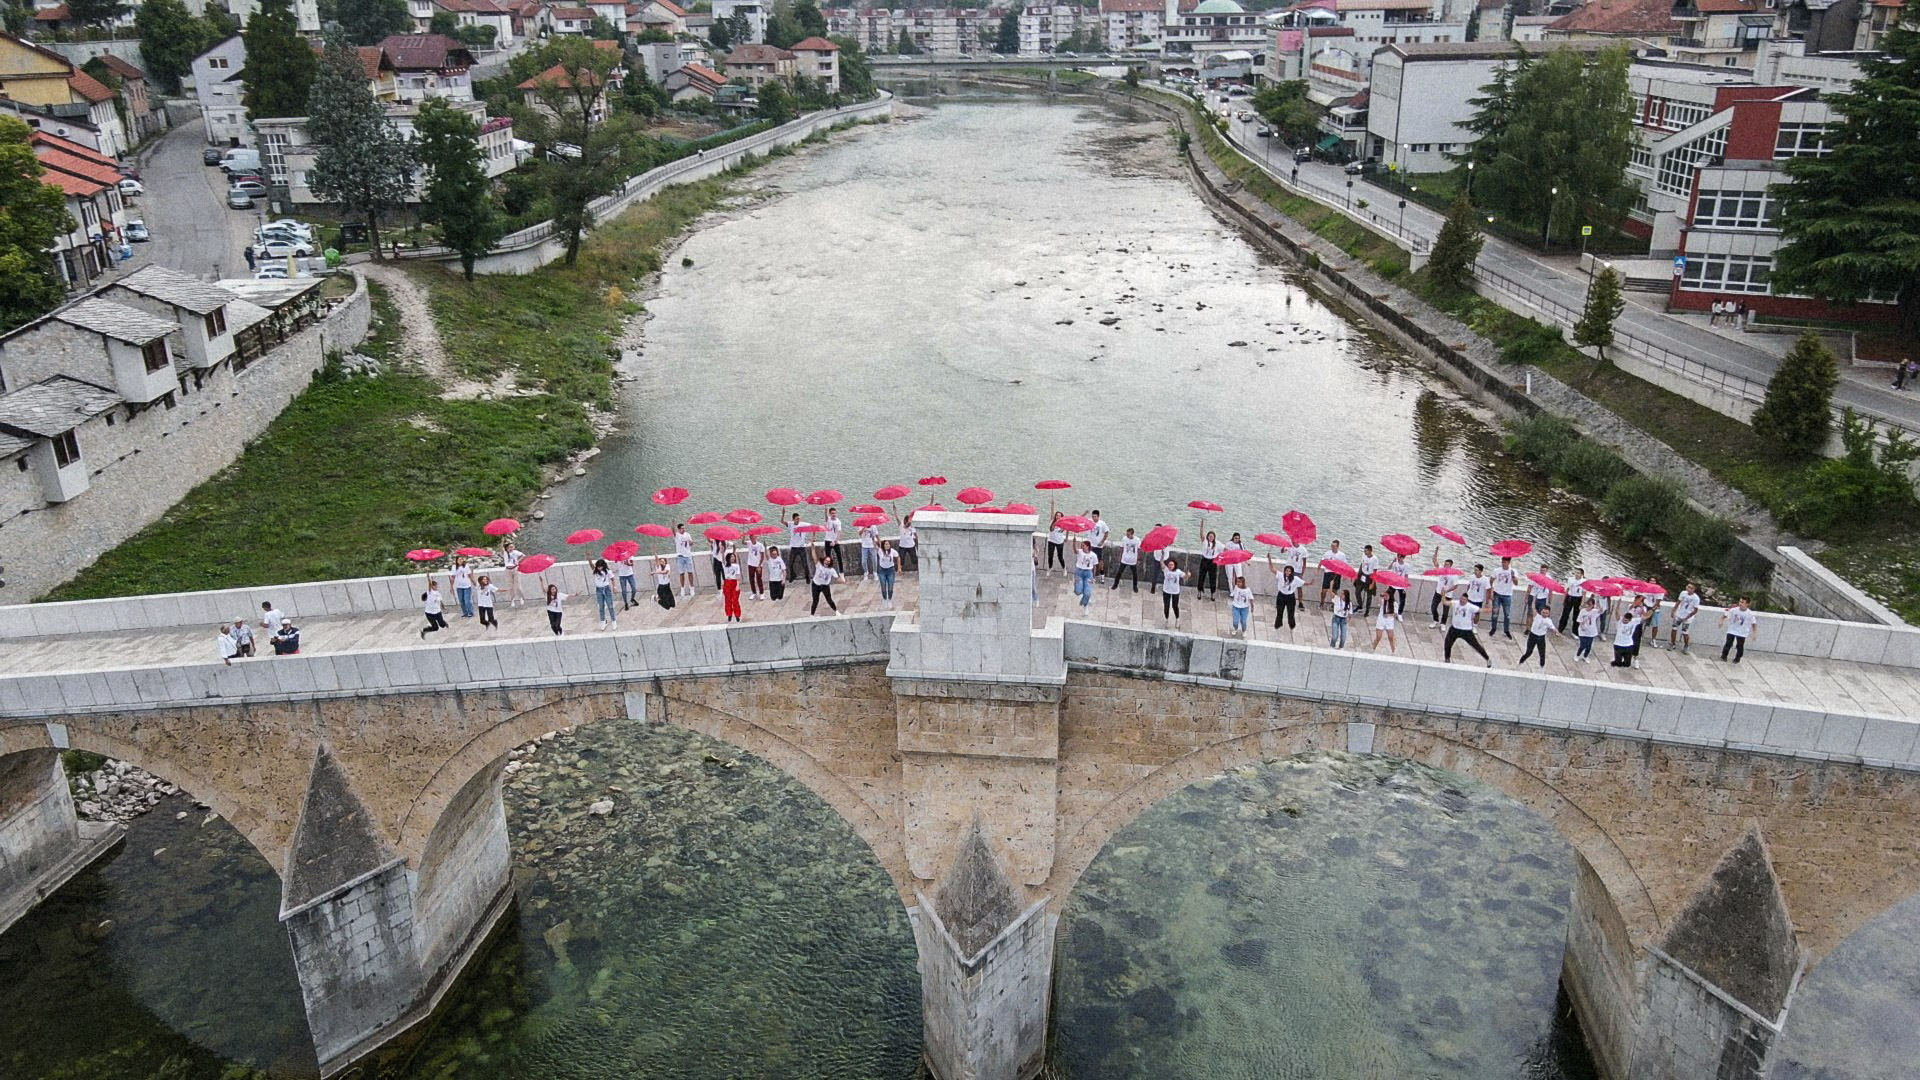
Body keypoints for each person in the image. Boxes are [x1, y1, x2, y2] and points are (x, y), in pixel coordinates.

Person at [1443, 593, 1491, 666]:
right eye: (1461, 599)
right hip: (1454, 629)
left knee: (1476, 645)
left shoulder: (1470, 607)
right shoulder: (1455, 603)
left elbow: (1481, 610)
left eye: (1464, 600)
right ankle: (1447, 658)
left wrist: (1491, 609)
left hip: (1466, 631)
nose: (1462, 601)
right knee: (1447, 643)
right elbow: (1445, 603)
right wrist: (1443, 594)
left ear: (1467, 600)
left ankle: (1487, 658)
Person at [1720, 597, 1756, 663]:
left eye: (1742, 602)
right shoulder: (1733, 610)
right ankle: (1724, 656)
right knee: (1728, 643)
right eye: (1740, 601)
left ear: (1747, 604)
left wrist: (1754, 633)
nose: (1740, 603)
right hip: (1732, 630)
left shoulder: (1750, 614)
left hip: (1742, 632)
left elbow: (1754, 624)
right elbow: (1724, 616)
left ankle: (1737, 658)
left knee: (1740, 646)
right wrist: (1721, 621)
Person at [1667, 583, 1701, 653]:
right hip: (1679, 614)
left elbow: (1695, 610)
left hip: (1688, 616)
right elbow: (1678, 602)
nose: (1688, 589)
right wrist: (1673, 610)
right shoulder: (1683, 593)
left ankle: (1686, 645)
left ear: (1694, 589)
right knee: (1674, 628)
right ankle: (1672, 643)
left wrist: (1687, 617)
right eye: (1688, 587)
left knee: (1685, 632)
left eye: (1691, 588)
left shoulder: (1696, 598)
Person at [1489, 557, 1516, 639]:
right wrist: (1491, 591)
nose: (1503, 564)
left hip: (1507, 595)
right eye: (1502, 562)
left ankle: (1506, 630)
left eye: (1505, 562)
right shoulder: (1496, 570)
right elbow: (1491, 580)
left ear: (1509, 563)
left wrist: (1513, 576)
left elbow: (1516, 583)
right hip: (1497, 593)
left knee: (1507, 614)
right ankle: (1493, 628)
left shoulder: (1513, 571)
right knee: (1495, 613)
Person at [1270, 561, 1302, 629]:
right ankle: (1278, 624)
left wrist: (1311, 583)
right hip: (1281, 596)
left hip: (1290, 597)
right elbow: (1272, 568)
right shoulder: (1281, 575)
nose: (1287, 572)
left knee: (1291, 612)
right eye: (1286, 571)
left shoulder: (1295, 579)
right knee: (1279, 611)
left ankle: (1292, 625)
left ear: (1291, 572)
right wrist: (1269, 559)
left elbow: (1303, 583)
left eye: (1289, 571)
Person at [810, 549, 843, 614]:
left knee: (829, 599)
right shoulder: (819, 565)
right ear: (824, 560)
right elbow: (814, 557)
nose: (827, 562)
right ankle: (812, 615)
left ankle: (836, 611)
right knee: (815, 601)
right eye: (826, 560)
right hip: (815, 585)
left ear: (830, 563)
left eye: (828, 561)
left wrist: (843, 581)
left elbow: (837, 578)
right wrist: (813, 549)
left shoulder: (831, 570)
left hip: (825, 586)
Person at [1429, 558, 1457, 627]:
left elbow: (1455, 586)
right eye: (1444, 564)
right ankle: (1435, 620)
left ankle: (1443, 623)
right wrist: (1436, 553)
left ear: (1450, 565)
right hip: (1438, 592)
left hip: (1447, 595)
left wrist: (1446, 591)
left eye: (1447, 564)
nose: (1445, 565)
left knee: (1445, 611)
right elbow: (1435, 561)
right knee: (1433, 607)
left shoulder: (1454, 575)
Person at [591, 559, 618, 631]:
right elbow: (591, 566)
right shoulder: (596, 571)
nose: (599, 568)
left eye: (600, 567)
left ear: (603, 566)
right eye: (598, 567)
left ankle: (613, 621)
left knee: (610, 606)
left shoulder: (608, 571)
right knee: (601, 607)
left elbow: (612, 579)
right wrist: (589, 559)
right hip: (599, 590)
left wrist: (614, 587)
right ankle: (603, 621)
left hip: (606, 589)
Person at [1073, 538, 1099, 609]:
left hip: (1088, 573)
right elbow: (1075, 550)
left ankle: (1084, 604)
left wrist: (1093, 577)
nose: (1082, 547)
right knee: (1078, 591)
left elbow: (1094, 566)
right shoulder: (1080, 552)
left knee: (1087, 593)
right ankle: (1081, 593)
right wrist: (1074, 543)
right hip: (1079, 572)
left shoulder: (1093, 555)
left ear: (1087, 546)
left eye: (1083, 545)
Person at [787, 512, 811, 587]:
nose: (798, 520)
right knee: (790, 563)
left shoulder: (803, 524)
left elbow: (813, 527)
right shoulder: (791, 524)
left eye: (799, 518)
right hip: (793, 547)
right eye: (797, 519)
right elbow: (782, 521)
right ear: (793, 519)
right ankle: (792, 575)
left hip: (801, 547)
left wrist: (813, 538)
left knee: (805, 564)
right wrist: (783, 514)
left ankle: (807, 577)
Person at [1317, 539, 1344, 607]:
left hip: (1337, 573)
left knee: (1335, 589)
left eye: (1334, 546)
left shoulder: (1341, 555)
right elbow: (1322, 561)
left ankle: (1334, 604)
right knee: (1324, 589)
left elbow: (1344, 565)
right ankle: (1322, 602)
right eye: (1331, 546)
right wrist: (1318, 569)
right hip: (1328, 573)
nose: (1332, 547)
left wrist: (1344, 575)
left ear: (1337, 547)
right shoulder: (1327, 553)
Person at [1559, 568, 1586, 634]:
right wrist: (1564, 599)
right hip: (1570, 597)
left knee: (1576, 615)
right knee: (1565, 614)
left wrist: (1582, 602)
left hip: (1578, 598)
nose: (1576, 574)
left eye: (1578, 573)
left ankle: (1575, 631)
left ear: (1582, 574)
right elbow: (1567, 589)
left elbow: (1584, 593)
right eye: (1576, 573)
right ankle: (1560, 629)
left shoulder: (1584, 581)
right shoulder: (1571, 579)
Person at [1575, 596, 1600, 663]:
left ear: (1593, 605)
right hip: (1583, 631)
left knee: (1589, 646)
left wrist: (1599, 604)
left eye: (1590, 604)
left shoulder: (1595, 611)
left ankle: (1585, 656)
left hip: (1591, 631)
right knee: (1583, 645)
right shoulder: (1583, 611)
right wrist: (1582, 626)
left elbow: (1601, 611)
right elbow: (1579, 620)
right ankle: (1577, 655)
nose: (1588, 606)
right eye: (1588, 604)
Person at [875, 538, 900, 608]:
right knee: (883, 586)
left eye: (888, 544)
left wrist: (899, 567)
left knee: (890, 586)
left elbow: (898, 557)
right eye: (886, 544)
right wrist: (874, 537)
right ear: (883, 545)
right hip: (882, 571)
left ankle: (889, 599)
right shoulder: (880, 551)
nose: (887, 545)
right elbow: (875, 544)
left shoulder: (892, 551)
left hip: (890, 570)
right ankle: (884, 599)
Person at [1160, 557, 1186, 622]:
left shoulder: (1178, 571)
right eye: (1169, 564)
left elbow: (1185, 577)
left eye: (1172, 565)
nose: (1170, 566)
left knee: (1175, 606)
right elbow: (1162, 563)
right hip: (1166, 591)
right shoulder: (1166, 570)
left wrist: (1188, 575)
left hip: (1175, 592)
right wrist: (1162, 556)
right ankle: (1166, 618)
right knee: (1166, 606)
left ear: (1174, 565)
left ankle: (1177, 619)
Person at [1355, 544, 1378, 617]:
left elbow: (1375, 571)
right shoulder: (1364, 556)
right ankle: (1360, 605)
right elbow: (1361, 565)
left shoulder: (1375, 559)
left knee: (1369, 595)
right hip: (1362, 575)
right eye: (1364, 551)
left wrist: (1372, 583)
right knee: (1357, 591)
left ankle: (1367, 610)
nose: (1365, 552)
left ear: (1370, 551)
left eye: (1366, 551)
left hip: (1369, 577)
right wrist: (1358, 574)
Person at [674, 524, 697, 596]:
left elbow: (691, 544)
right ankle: (682, 588)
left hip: (688, 555)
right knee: (681, 573)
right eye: (682, 528)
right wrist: (673, 524)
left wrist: (691, 542)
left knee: (690, 572)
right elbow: (673, 531)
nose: (683, 529)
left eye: (684, 528)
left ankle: (692, 588)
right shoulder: (677, 535)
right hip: (680, 556)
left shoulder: (687, 535)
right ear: (679, 529)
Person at [721, 549, 743, 622]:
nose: (733, 558)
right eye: (731, 557)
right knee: (728, 600)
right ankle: (729, 614)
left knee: (735, 600)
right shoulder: (725, 565)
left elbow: (738, 576)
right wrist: (722, 551)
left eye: (734, 557)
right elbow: (722, 558)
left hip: (734, 582)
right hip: (727, 582)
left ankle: (737, 615)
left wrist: (737, 585)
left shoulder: (736, 566)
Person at [1197, 532, 1221, 599]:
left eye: (1212, 536)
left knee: (1213, 578)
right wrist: (1201, 527)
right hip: (1205, 560)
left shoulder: (1217, 543)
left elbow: (1224, 548)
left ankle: (1212, 593)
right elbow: (1201, 535)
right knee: (1201, 576)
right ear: (1207, 537)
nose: (1211, 538)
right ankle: (1199, 591)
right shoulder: (1205, 542)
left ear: (1214, 537)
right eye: (1209, 536)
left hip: (1212, 562)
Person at [1385, 550, 1410, 614]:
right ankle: (1391, 609)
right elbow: (1389, 568)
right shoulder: (1395, 563)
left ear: (1403, 557)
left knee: (1402, 600)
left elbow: (1406, 576)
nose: (1398, 558)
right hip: (1393, 583)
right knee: (1389, 596)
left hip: (1401, 584)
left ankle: (1400, 613)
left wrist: (1405, 586)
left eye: (1400, 557)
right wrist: (1393, 561)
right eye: (1398, 556)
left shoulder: (1406, 565)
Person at [501, 541, 524, 607]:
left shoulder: (515, 552)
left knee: (518, 585)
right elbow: (501, 548)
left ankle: (521, 598)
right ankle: (512, 600)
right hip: (508, 570)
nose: (511, 548)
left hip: (515, 569)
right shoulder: (505, 553)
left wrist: (518, 561)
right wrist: (502, 540)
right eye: (510, 547)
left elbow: (523, 555)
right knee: (510, 586)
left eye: (512, 547)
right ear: (507, 548)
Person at [745, 534, 766, 600]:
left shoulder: (760, 545)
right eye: (751, 538)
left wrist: (759, 565)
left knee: (759, 579)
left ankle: (761, 593)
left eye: (753, 537)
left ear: (756, 537)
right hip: (750, 564)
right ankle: (754, 592)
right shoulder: (749, 543)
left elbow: (762, 556)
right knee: (751, 579)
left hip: (758, 565)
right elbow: (743, 542)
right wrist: (743, 536)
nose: (752, 539)